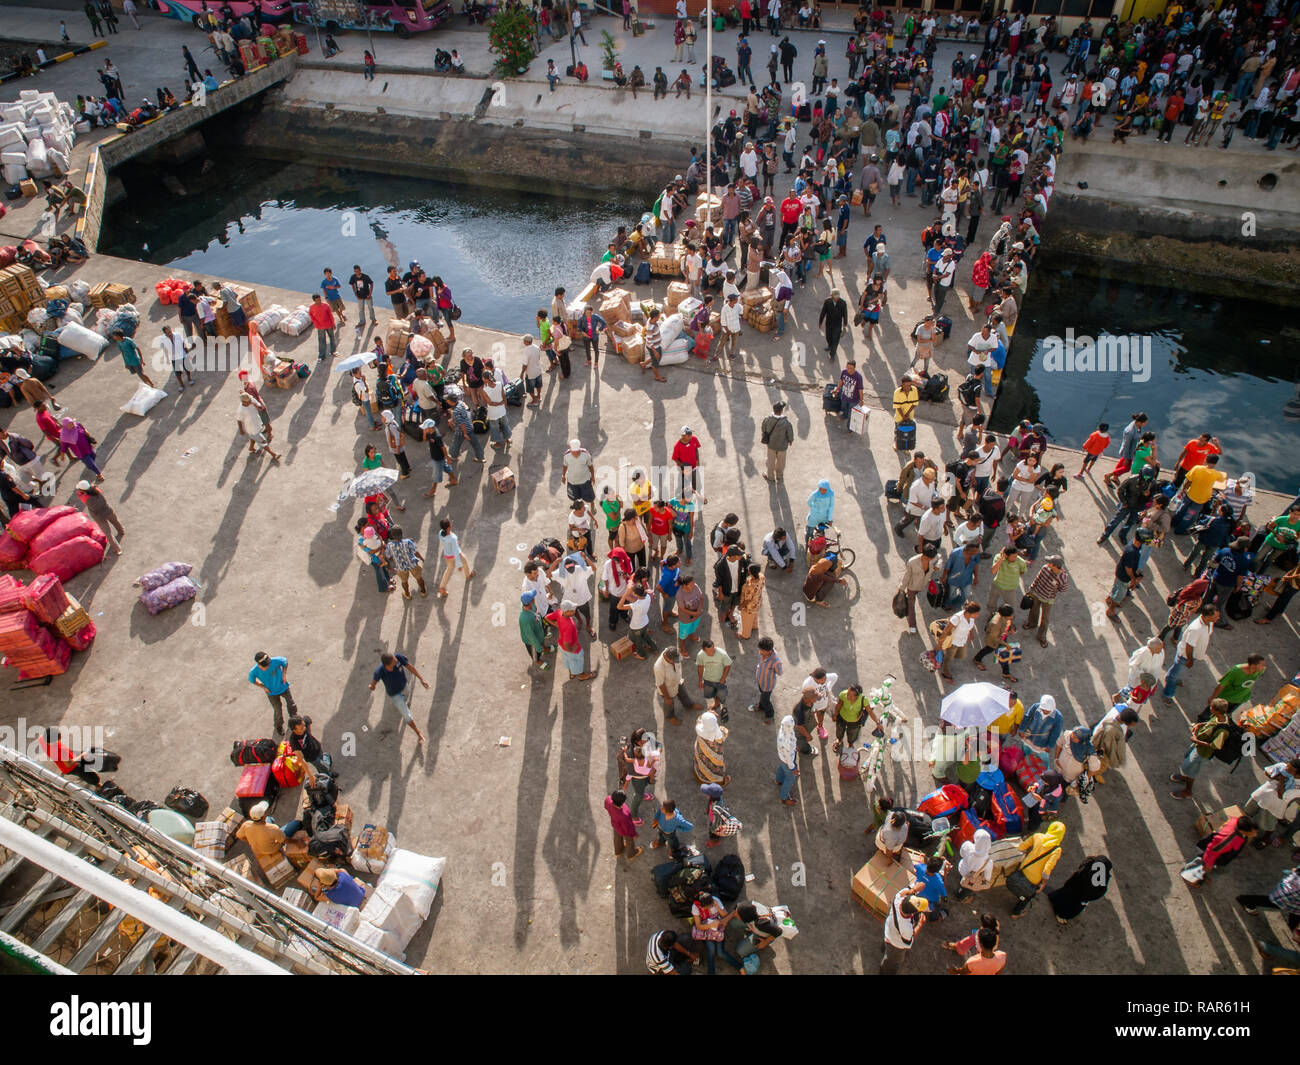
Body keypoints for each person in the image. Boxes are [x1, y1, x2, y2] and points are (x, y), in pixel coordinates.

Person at [1169, 697, 1232, 800]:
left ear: (1216, 710)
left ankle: (1188, 791)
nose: (1209, 708)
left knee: (1192, 769)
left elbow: (1215, 746)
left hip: (1203, 752)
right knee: (1188, 761)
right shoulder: (1220, 716)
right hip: (1198, 746)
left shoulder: (1222, 731)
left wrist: (1196, 741)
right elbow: (1212, 723)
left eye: (1211, 707)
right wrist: (1200, 725)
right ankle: (1186, 777)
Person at [368, 651, 428, 745]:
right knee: (406, 715)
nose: (396, 661)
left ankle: (404, 702)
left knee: (406, 694)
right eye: (394, 662)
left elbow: (410, 667)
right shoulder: (379, 672)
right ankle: (418, 733)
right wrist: (372, 687)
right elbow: (373, 684)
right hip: (394, 694)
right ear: (387, 665)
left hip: (404, 686)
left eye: (395, 660)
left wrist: (421, 679)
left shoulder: (398, 658)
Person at [1162, 604, 1218, 701]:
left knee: (1177, 671)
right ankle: (1167, 694)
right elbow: (1189, 646)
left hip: (1192, 655)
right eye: (1215, 617)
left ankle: (1170, 677)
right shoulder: (1196, 629)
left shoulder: (1209, 623)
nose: (1218, 618)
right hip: (1185, 656)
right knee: (1174, 675)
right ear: (1206, 616)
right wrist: (1190, 660)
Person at [1008, 821, 1066, 917]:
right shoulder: (1056, 850)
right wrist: (1043, 884)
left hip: (1024, 868)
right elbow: (1047, 870)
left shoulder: (1038, 836)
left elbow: (1021, 847)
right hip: (1034, 879)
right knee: (1027, 897)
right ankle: (1016, 913)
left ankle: (1018, 894)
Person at [545, 599, 598, 682]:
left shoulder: (559, 612)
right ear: (566, 612)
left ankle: (572, 673)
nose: (574, 610)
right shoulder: (569, 626)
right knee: (577, 660)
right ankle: (581, 675)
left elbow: (547, 617)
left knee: (568, 659)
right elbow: (567, 644)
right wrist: (572, 649)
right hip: (570, 647)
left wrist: (556, 624)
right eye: (572, 610)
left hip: (561, 644)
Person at [248, 651, 296, 735]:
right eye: (265, 665)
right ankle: (279, 726)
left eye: (268, 663)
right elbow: (252, 680)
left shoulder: (276, 661)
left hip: (283, 687)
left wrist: (284, 674)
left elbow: (285, 662)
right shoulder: (254, 671)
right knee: (277, 710)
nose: (267, 666)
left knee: (291, 703)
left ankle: (294, 718)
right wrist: (263, 687)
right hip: (271, 693)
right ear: (258, 664)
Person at [881, 888, 928, 974]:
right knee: (892, 963)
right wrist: (920, 924)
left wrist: (913, 889)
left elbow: (903, 892)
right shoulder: (906, 928)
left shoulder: (898, 899)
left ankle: (884, 949)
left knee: (886, 947)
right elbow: (909, 940)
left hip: (889, 931)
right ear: (912, 913)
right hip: (896, 945)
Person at [73, 481, 124, 554]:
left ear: (82, 490)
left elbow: (78, 494)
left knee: (108, 533)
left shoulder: (84, 498)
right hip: (107, 509)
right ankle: (121, 531)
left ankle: (117, 549)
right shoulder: (96, 490)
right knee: (115, 521)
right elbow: (93, 487)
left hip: (99, 516)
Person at [436, 517, 476, 597]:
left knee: (448, 570)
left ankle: (442, 587)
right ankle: (468, 575)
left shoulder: (440, 533)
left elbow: (447, 541)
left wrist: (454, 543)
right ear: (448, 527)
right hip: (455, 555)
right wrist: (459, 565)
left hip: (447, 555)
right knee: (464, 561)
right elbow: (456, 551)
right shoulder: (452, 538)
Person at [604, 789, 643, 866]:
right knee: (629, 841)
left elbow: (606, 807)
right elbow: (628, 827)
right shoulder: (624, 814)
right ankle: (631, 854)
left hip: (615, 825)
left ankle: (618, 851)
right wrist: (634, 834)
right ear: (622, 802)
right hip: (625, 830)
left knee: (617, 837)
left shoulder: (608, 799)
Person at [760, 402, 794, 482]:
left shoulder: (767, 419)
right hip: (782, 446)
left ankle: (770, 476)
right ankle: (779, 475)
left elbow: (763, 429)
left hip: (771, 445)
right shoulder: (786, 423)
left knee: (771, 461)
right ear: (781, 411)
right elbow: (790, 433)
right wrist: (790, 440)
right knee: (781, 461)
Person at [308, 293, 338, 361]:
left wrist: (333, 323)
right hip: (320, 326)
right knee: (321, 340)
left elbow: (330, 315)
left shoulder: (326, 306)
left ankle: (333, 351)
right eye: (317, 300)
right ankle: (321, 355)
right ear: (314, 301)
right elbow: (311, 316)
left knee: (332, 337)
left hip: (329, 324)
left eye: (319, 299)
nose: (319, 301)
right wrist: (316, 324)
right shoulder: (311, 308)